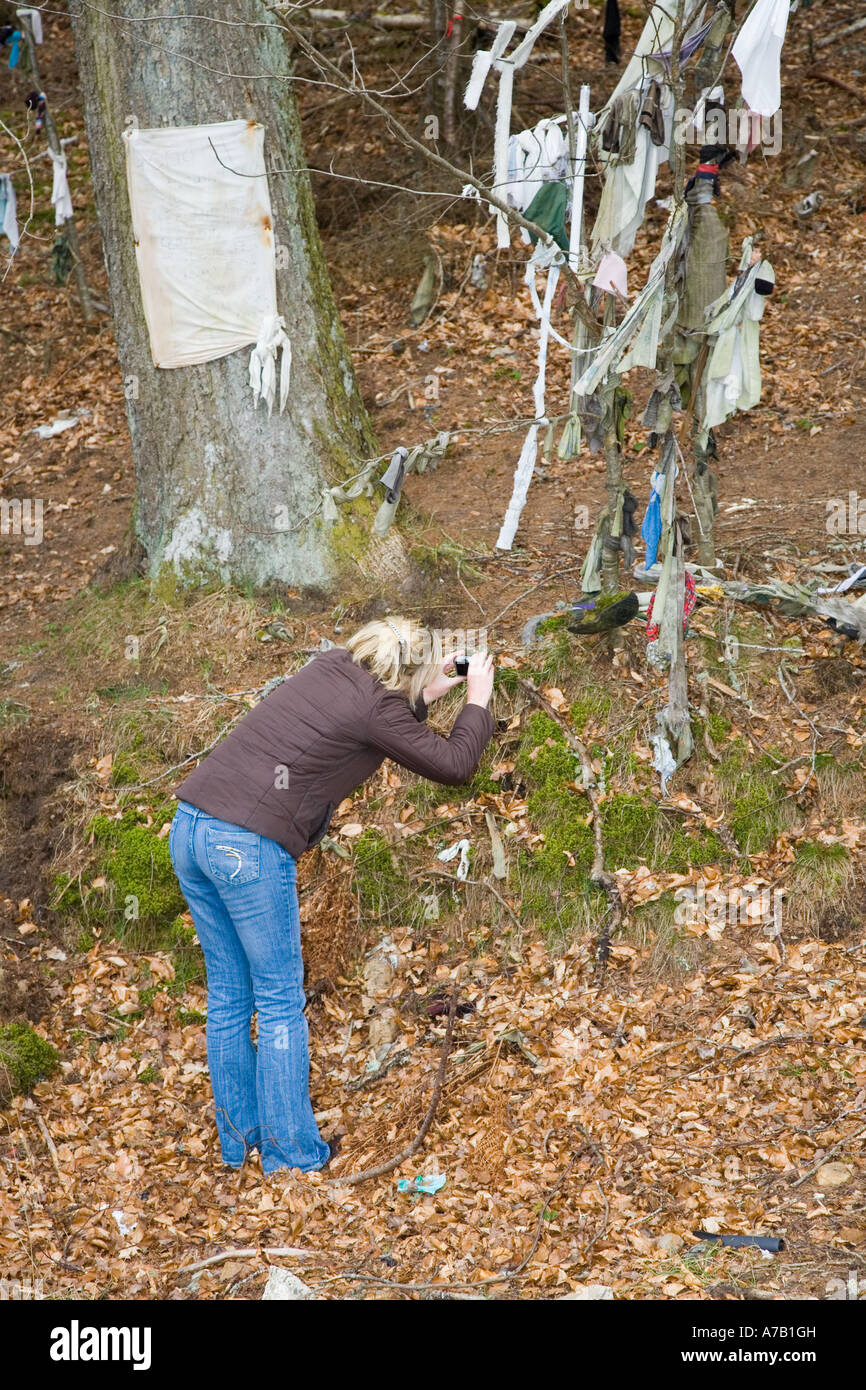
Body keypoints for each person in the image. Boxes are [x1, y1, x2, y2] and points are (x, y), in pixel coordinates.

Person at [168, 618, 495, 1175]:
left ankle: (239, 1144)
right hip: (245, 846)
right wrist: (477, 701)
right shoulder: (378, 708)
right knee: (277, 1002)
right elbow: (454, 765)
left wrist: (427, 693)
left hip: (191, 828)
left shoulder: (327, 668)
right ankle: (291, 1156)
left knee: (228, 997)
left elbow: (370, 723)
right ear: (404, 670)